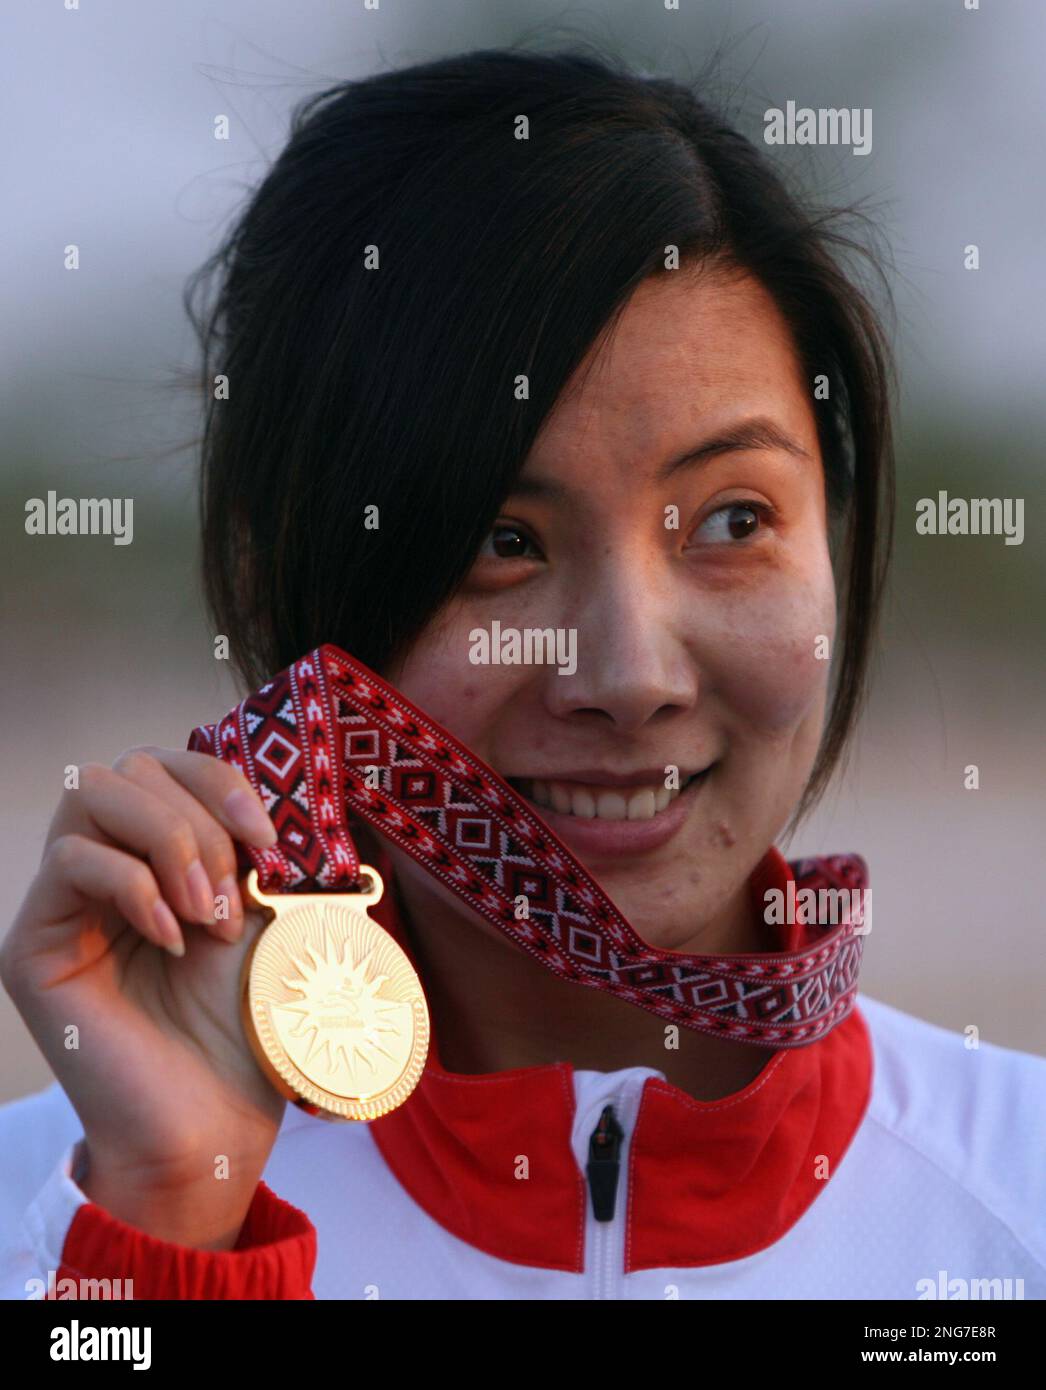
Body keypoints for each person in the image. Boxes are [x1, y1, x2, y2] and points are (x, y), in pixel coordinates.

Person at [1, 45, 1042, 1302]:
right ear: (279, 581)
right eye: (503, 543)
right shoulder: (65, 1223)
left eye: (730, 520)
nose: (627, 671)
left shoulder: (1012, 1193)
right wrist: (169, 1226)